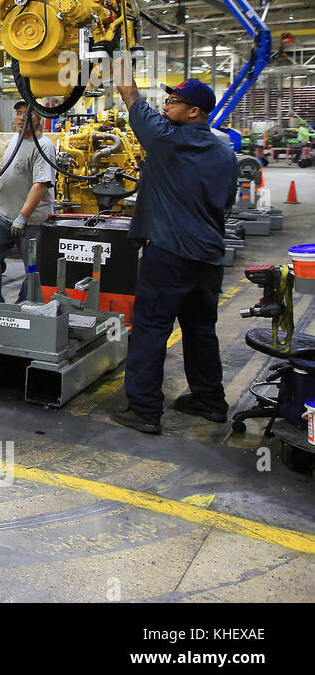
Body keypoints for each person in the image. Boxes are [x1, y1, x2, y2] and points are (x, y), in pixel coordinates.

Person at [112, 78, 238, 434]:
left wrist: (121, 69)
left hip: (168, 254)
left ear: (194, 111)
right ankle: (210, 400)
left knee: (151, 329)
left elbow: (133, 102)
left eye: (174, 101)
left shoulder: (167, 142)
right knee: (200, 329)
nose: (166, 104)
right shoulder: (225, 153)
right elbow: (226, 203)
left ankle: (144, 409)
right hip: (209, 257)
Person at [0, 99, 56, 303]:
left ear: (39, 119)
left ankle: (24, 308)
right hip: (3, 216)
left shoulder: (43, 146)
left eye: (28, 114)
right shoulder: (15, 140)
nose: (21, 117)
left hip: (30, 222)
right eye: (18, 113)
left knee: (33, 269)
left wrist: (23, 217)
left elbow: (41, 184)